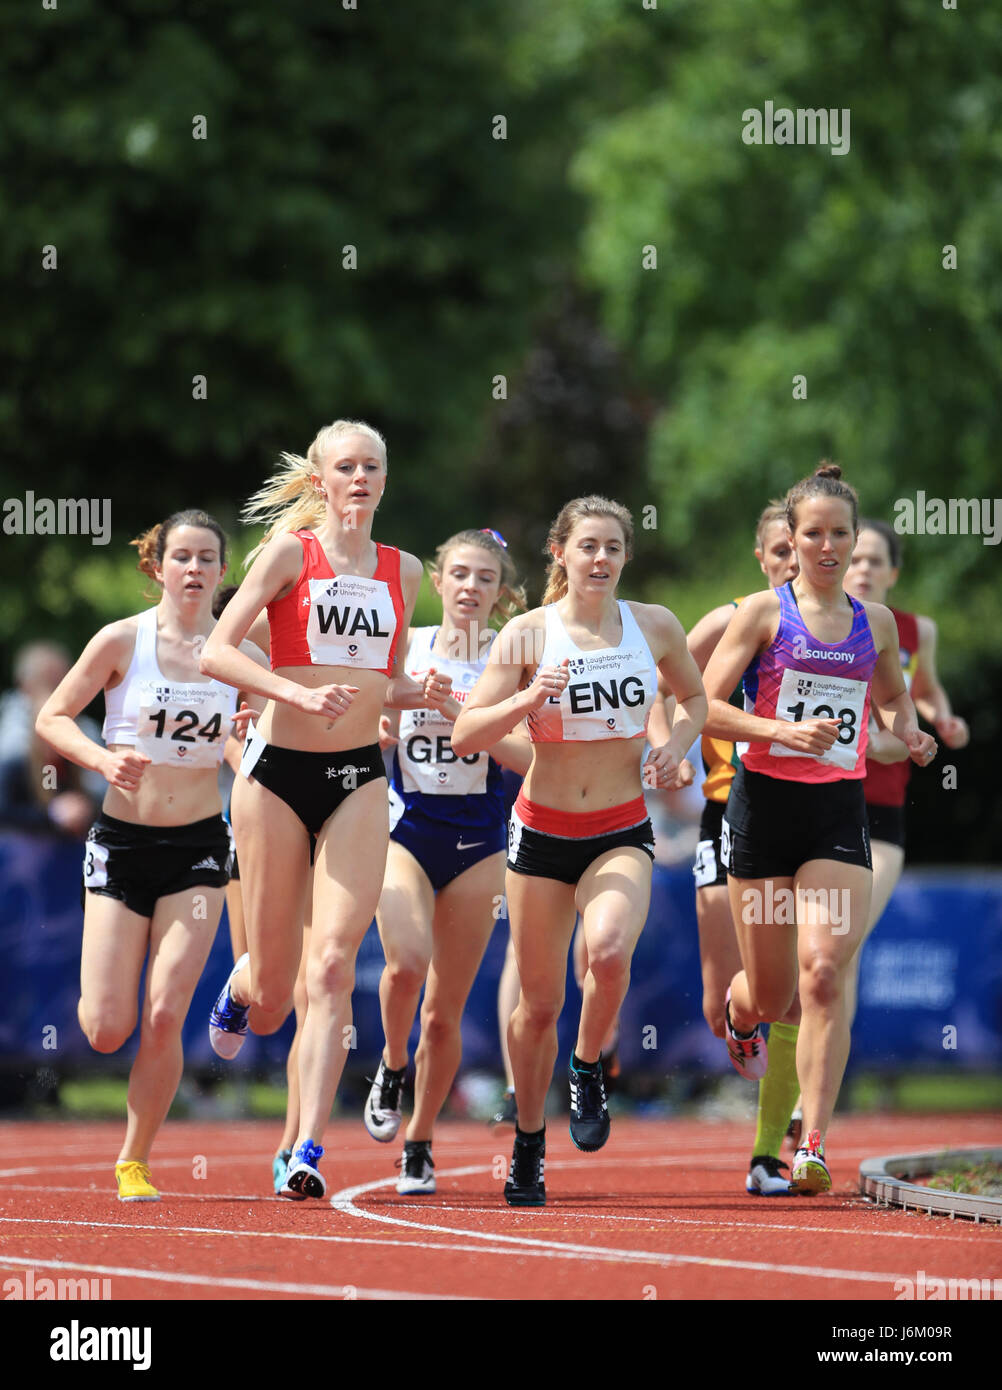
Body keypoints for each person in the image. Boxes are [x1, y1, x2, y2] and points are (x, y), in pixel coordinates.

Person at [199, 419, 445, 1201]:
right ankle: (239, 991)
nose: (362, 478)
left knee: (334, 963)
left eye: (374, 465)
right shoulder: (287, 555)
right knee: (275, 988)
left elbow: (385, 679)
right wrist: (293, 691)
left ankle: (306, 1148)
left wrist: (422, 693)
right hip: (274, 774)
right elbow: (217, 653)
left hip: (357, 777)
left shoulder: (404, 572)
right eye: (347, 466)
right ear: (320, 481)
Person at [452, 495, 705, 1207]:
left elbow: (694, 699)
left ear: (627, 556)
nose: (601, 559)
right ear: (559, 554)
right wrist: (529, 696)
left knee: (609, 952)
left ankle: (589, 1064)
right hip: (540, 835)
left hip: (621, 828)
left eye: (613, 548)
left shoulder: (652, 626)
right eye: (587, 546)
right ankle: (529, 1143)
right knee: (535, 1008)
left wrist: (675, 747)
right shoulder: (529, 635)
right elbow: (467, 735)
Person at [701, 464, 937, 1194]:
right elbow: (703, 707)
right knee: (769, 997)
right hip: (763, 813)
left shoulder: (877, 626)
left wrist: (912, 731)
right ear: (792, 541)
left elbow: (894, 702)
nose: (828, 547)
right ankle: (743, 1021)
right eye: (814, 534)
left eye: (842, 534)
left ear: (854, 539)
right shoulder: (763, 615)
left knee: (825, 974)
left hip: (838, 815)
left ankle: (815, 1143)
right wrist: (779, 729)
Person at [34, 511, 263, 1200]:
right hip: (122, 846)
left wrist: (248, 740)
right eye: (181, 557)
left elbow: (253, 735)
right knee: (106, 1028)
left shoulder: (237, 654)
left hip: (197, 847)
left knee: (167, 1012)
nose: (194, 570)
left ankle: (134, 1159)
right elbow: (53, 716)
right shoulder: (120, 642)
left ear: (223, 572)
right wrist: (104, 758)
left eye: (206, 559)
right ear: (157, 567)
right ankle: (105, 1031)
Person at [364, 528, 533, 1193]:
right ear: (438, 580)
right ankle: (392, 1064)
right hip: (406, 830)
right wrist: (385, 718)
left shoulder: (512, 656)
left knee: (445, 1008)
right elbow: (363, 715)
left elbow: (529, 756)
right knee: (405, 964)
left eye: (484, 578)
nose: (470, 587)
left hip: (480, 840)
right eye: (459, 574)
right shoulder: (405, 646)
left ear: (500, 592)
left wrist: (465, 714)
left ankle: (421, 1138)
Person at [685, 501, 802, 1195]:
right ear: (762, 556)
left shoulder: (835, 625)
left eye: (804, 548)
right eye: (781, 550)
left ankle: (769, 1154)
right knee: (725, 999)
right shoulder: (729, 619)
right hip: (726, 811)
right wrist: (667, 745)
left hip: (804, 814)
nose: (794, 561)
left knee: (793, 992)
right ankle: (739, 1023)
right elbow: (668, 688)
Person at [842, 518, 969, 1021]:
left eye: (876, 560)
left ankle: (817, 1096)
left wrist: (942, 717)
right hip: (815, 803)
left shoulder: (916, 632)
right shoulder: (806, 626)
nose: (864, 569)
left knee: (842, 948)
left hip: (881, 812)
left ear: (893, 572)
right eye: (856, 558)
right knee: (816, 954)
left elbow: (927, 689)